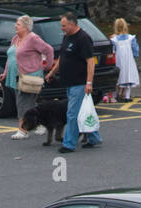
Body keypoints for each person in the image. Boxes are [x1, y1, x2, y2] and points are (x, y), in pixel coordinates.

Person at [45, 11, 101, 154]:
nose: (61, 28)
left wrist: (89, 82)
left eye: (64, 25)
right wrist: (52, 72)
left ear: (71, 24)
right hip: (69, 83)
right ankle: (94, 138)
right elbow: (62, 58)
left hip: (80, 83)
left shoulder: (83, 38)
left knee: (72, 113)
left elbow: (90, 62)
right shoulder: (67, 37)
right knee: (84, 112)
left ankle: (68, 144)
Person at [0, 15, 54, 140]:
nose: (15, 26)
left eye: (17, 24)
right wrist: (5, 72)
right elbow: (11, 57)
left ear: (25, 26)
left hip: (29, 76)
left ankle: (23, 130)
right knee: (29, 102)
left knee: (22, 103)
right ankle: (41, 123)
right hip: (15, 76)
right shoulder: (15, 38)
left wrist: (47, 67)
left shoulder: (33, 38)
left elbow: (49, 50)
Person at [110, 17, 139, 101]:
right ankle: (127, 96)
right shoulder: (131, 38)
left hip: (119, 61)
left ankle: (117, 95)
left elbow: (113, 51)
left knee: (119, 77)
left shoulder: (114, 40)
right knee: (129, 76)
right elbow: (135, 49)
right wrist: (134, 56)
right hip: (129, 61)